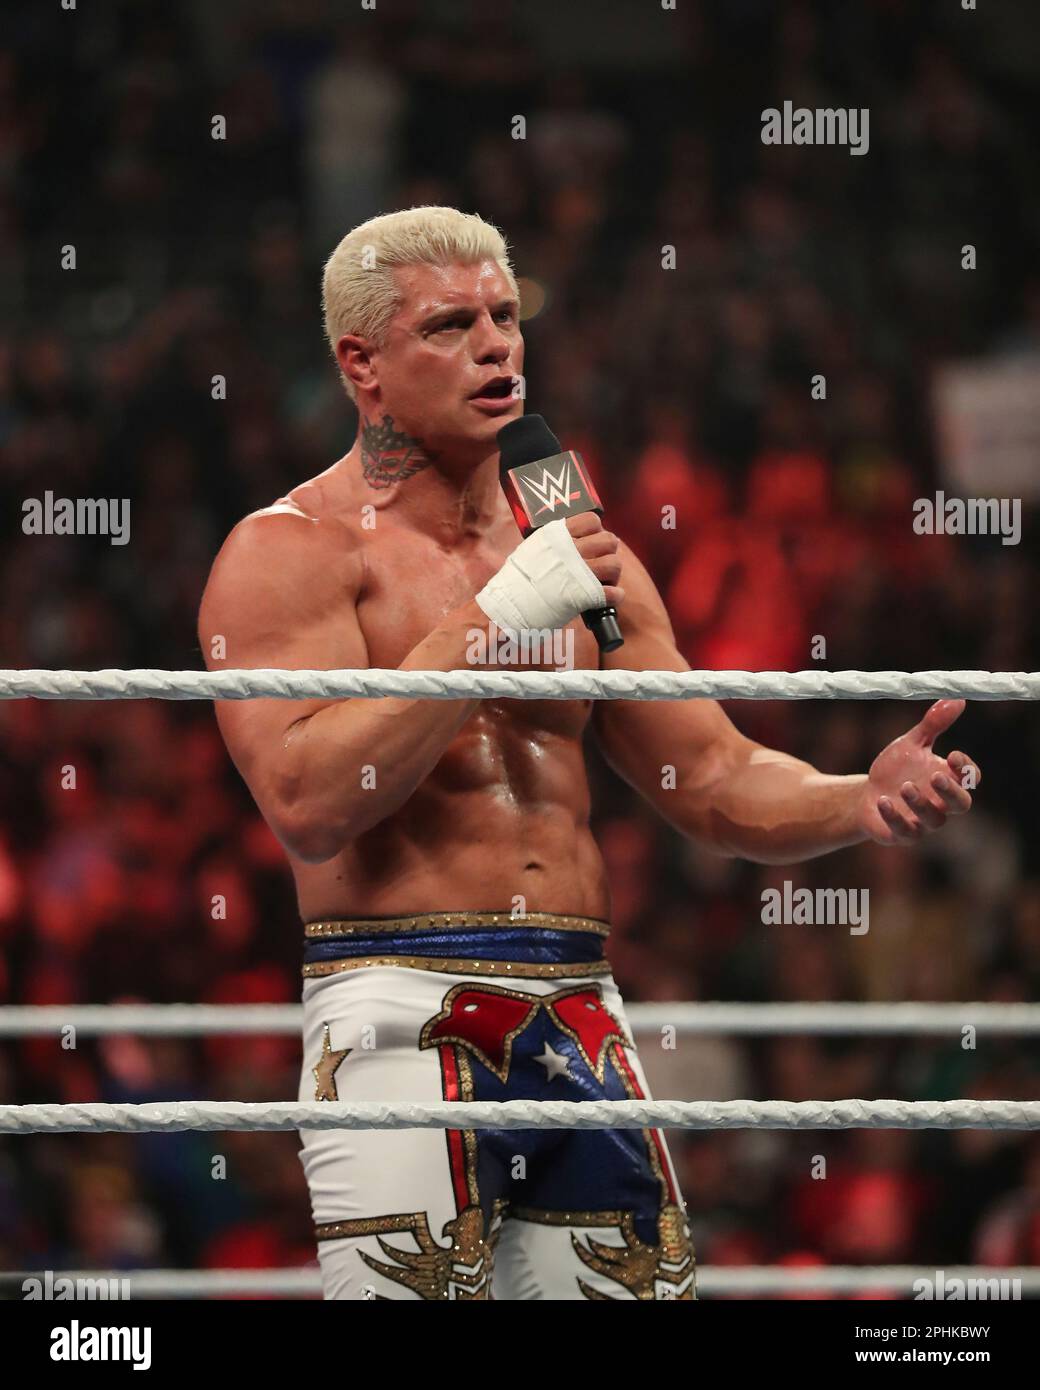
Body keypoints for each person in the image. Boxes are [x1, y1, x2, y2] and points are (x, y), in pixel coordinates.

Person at [197, 206, 981, 1300]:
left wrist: (861, 797)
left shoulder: (570, 538)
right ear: (360, 363)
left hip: (579, 1007)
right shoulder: (287, 552)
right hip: (397, 1003)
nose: (495, 345)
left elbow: (703, 775)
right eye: (449, 326)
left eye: (505, 316)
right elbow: (309, 799)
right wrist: (487, 622)